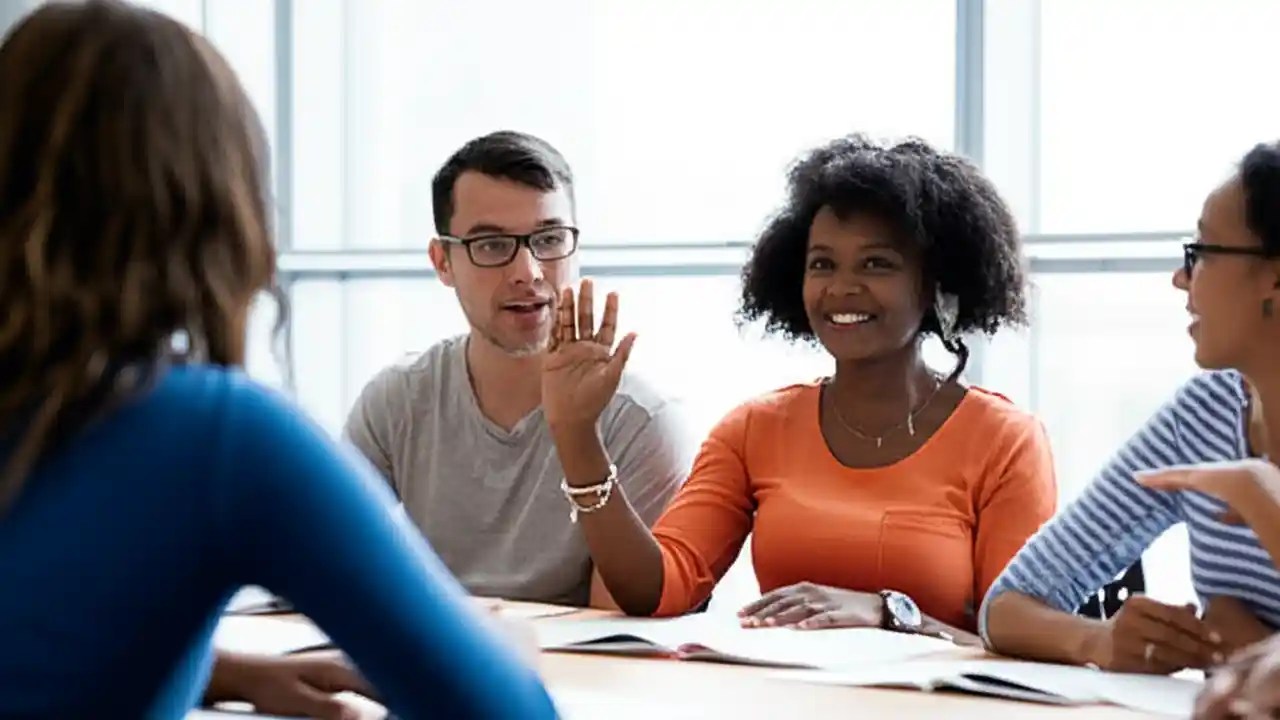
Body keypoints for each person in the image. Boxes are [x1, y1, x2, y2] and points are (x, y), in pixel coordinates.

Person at [0, 2, 558, 718]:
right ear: (220, 203)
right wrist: (507, 654)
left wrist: (221, 672)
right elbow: (501, 711)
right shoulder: (214, 436)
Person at [537, 134, 1057, 641]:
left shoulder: (1005, 441)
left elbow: (1018, 645)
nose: (842, 287)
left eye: (877, 263)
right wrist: (577, 434)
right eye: (822, 264)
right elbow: (656, 590)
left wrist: (888, 612)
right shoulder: (755, 428)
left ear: (937, 285)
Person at [343, 131, 694, 609]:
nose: (528, 271)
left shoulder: (640, 421)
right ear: (442, 261)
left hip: (575, 680)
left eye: (549, 240)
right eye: (491, 244)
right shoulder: (397, 402)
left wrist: (576, 433)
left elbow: (618, 635)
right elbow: (330, 570)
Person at [981, 140, 1280, 675]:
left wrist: (1246, 644)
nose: (1181, 278)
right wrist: (1098, 640)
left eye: (1203, 253)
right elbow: (1006, 606)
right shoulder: (1203, 415)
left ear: (1275, 277)